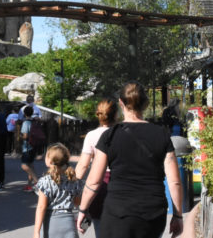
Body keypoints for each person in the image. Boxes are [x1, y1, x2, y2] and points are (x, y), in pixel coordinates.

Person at [76, 82, 184, 238]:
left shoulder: (109, 136)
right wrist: (178, 215)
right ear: (145, 104)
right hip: (153, 213)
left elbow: (94, 180)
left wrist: (83, 210)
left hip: (118, 212)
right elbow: (174, 182)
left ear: (121, 103)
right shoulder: (161, 134)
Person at [74, 97, 118, 232]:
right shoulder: (123, 132)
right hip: (122, 182)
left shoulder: (92, 135)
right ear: (116, 115)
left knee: (99, 224)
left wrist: (72, 184)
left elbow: (82, 166)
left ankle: (88, 226)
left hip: (99, 183)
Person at [33, 143, 83, 238]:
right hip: (69, 224)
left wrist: (36, 232)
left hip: (51, 224)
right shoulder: (74, 180)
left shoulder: (45, 181)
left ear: (50, 161)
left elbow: (41, 207)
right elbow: (77, 202)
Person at [20, 105, 39, 192]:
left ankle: (37, 182)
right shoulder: (34, 122)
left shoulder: (25, 123)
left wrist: (20, 137)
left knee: (24, 165)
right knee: (30, 165)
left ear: (24, 113)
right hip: (33, 146)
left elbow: (25, 136)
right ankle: (29, 185)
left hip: (27, 147)